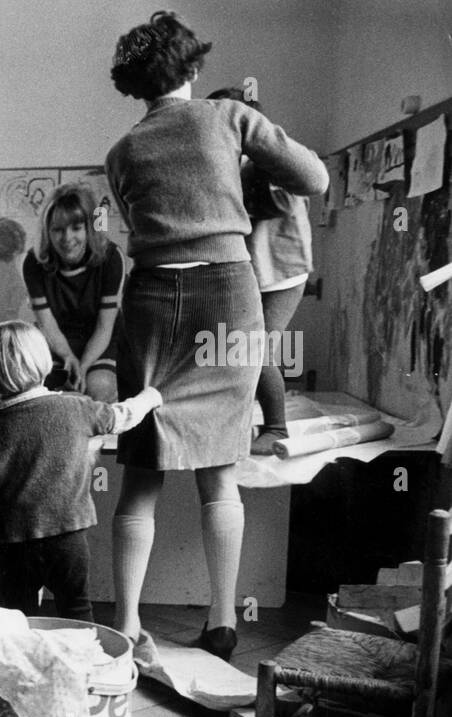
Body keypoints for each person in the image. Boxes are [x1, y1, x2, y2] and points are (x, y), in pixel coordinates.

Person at [105, 11, 328, 662]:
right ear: (194, 67)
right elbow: (313, 178)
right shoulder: (229, 118)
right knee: (219, 472)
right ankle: (224, 619)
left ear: (134, 83)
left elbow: (138, 222)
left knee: (140, 475)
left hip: (150, 300)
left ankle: (124, 624)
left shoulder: (121, 152)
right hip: (227, 294)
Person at [0, 321, 161, 622]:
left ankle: (24, 653)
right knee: (76, 608)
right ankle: (84, 651)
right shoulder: (75, 408)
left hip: (15, 543)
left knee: (17, 617)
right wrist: (150, 397)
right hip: (69, 538)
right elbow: (122, 417)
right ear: (43, 361)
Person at [208, 86, 315, 455]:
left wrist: (242, 180)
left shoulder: (273, 156)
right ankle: (243, 421)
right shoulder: (231, 163)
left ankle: (276, 427)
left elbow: (282, 202)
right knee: (234, 349)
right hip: (254, 273)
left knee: (257, 350)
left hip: (283, 273)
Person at [22, 184, 127, 403]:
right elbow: (47, 324)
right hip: (57, 341)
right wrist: (68, 357)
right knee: (46, 389)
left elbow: (104, 326)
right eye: (57, 230)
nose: (67, 238)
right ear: (47, 231)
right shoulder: (33, 262)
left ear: (89, 228)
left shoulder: (111, 257)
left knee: (98, 387)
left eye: (76, 228)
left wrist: (84, 365)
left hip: (101, 341)